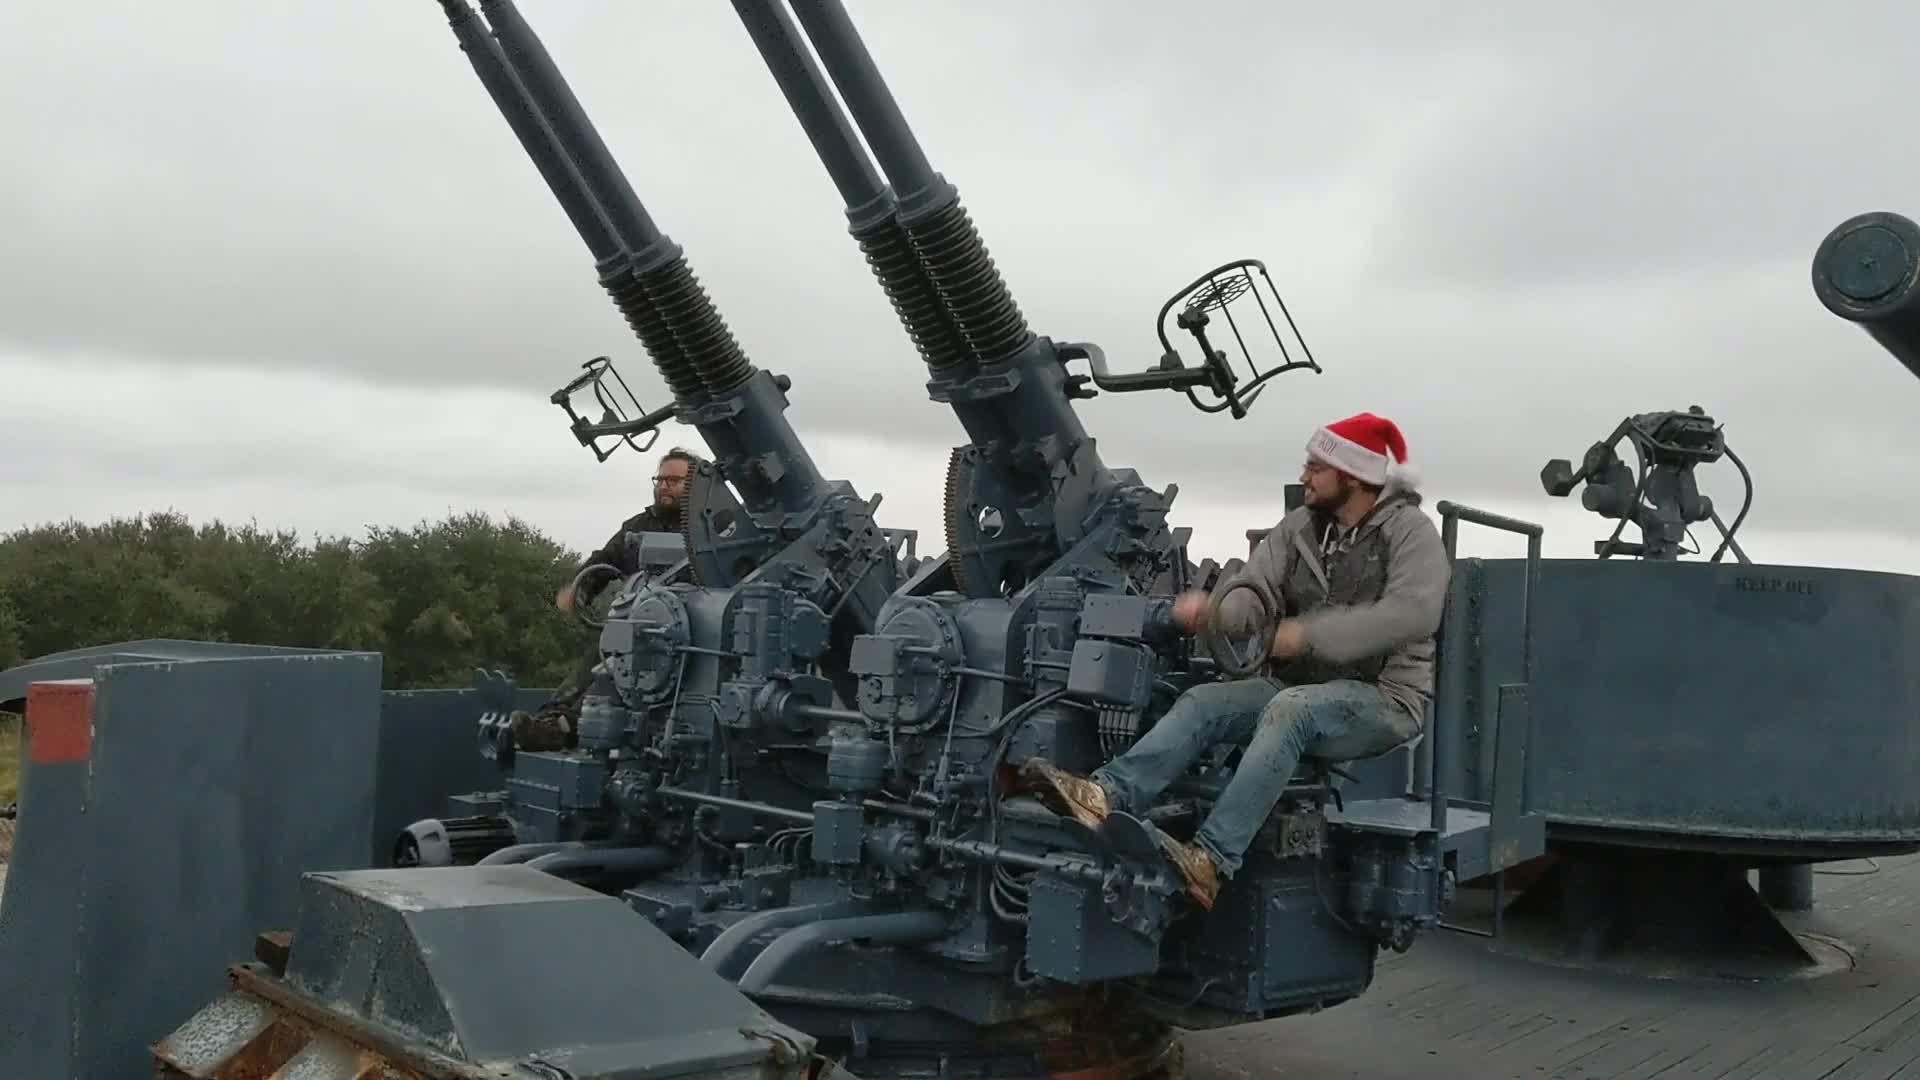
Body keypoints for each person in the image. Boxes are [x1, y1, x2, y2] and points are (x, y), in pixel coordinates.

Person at [1019, 412, 1451, 910]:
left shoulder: (1411, 533)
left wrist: (1308, 636)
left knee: (1292, 711)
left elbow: (1412, 613)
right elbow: (1256, 590)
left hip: (1386, 698)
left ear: (1352, 476)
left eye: (1315, 467)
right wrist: (1213, 613)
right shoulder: (1301, 530)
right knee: (1205, 702)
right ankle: (1104, 795)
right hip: (1300, 688)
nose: (1304, 477)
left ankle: (1212, 859)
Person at [513, 447, 702, 750]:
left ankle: (564, 727)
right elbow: (604, 562)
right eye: (660, 479)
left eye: (673, 481)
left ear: (695, 486)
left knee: (614, 668)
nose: (664, 486)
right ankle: (548, 723)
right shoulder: (638, 527)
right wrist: (580, 592)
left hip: (690, 636)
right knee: (598, 658)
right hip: (635, 627)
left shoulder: (712, 527)